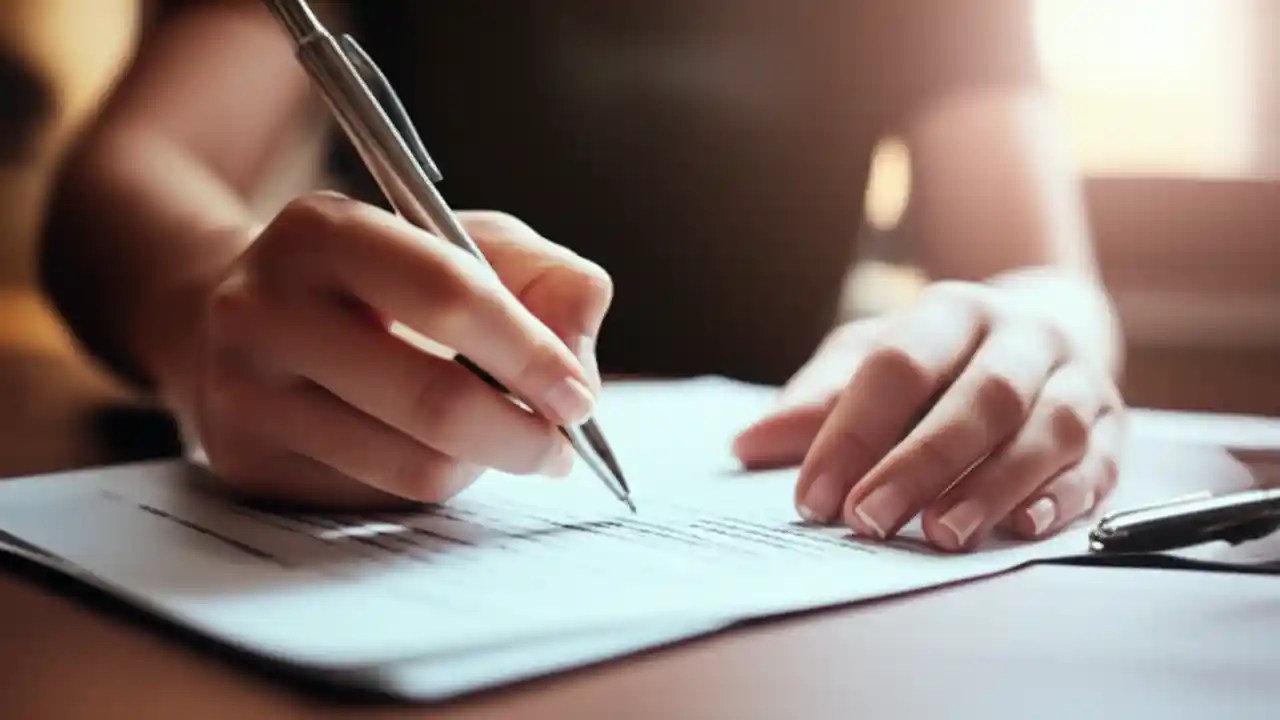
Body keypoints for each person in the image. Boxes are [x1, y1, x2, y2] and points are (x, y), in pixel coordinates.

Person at [42, 1, 1124, 552]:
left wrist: (1041, 335)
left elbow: (1036, 268)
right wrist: (206, 308)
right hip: (396, 492)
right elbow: (123, 183)